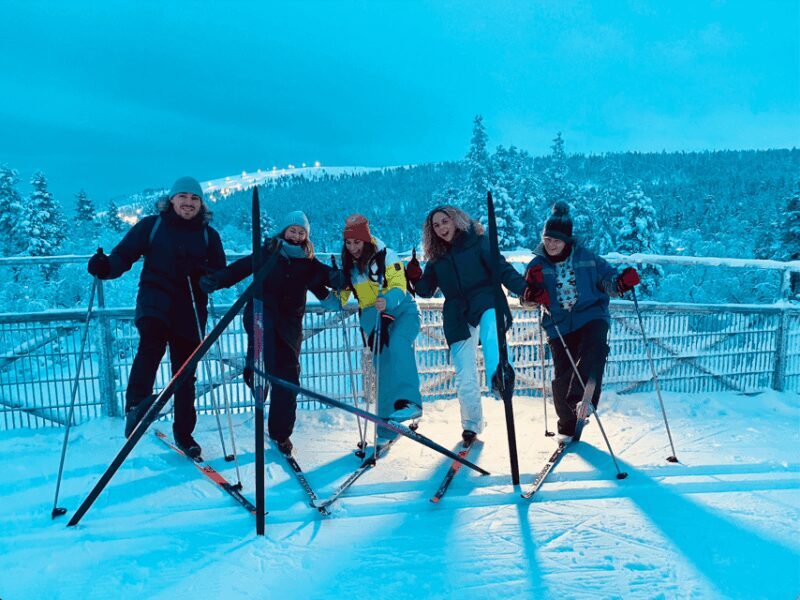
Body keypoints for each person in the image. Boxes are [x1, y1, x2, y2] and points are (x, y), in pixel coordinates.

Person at [87, 176, 226, 458]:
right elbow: (124, 255)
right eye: (183, 196)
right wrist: (105, 267)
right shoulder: (152, 226)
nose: (189, 202)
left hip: (190, 306)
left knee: (185, 372)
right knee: (151, 343)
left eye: (195, 198)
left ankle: (185, 434)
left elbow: (220, 272)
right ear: (171, 200)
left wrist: (208, 279)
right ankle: (136, 406)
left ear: (201, 205)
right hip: (155, 299)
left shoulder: (208, 236)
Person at [199, 211, 343, 455]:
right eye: (292, 230)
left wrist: (340, 283)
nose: (296, 235)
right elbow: (240, 269)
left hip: (289, 326)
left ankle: (281, 433)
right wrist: (216, 280)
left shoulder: (308, 263)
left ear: (306, 236)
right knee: (260, 355)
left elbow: (324, 283)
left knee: (288, 379)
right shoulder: (268, 253)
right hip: (260, 316)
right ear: (283, 230)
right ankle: (256, 375)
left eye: (301, 232)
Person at [405, 205, 540, 445]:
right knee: (464, 373)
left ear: (455, 219)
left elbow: (503, 270)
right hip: (456, 311)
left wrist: (525, 289)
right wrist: (414, 277)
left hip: (485, 298)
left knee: (491, 331)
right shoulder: (436, 257)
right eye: (435, 226)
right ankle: (471, 424)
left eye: (444, 222)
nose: (441, 228)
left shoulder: (478, 241)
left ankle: (498, 376)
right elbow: (425, 290)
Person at [521, 201, 640, 443]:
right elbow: (524, 300)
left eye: (556, 240)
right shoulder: (536, 265)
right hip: (558, 323)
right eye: (547, 239)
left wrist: (621, 284)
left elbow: (608, 281)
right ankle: (567, 424)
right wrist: (530, 295)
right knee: (563, 372)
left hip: (591, 315)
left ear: (567, 241)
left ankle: (582, 401)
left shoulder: (588, 258)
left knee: (594, 347)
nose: (551, 244)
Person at [324, 214, 423, 449]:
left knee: (399, 344)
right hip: (372, 317)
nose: (353, 248)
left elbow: (399, 286)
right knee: (382, 368)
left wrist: (387, 301)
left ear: (366, 241)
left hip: (401, 310)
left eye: (357, 242)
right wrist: (326, 292)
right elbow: (341, 298)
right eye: (348, 243)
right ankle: (386, 428)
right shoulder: (349, 267)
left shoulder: (385, 256)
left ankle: (410, 402)